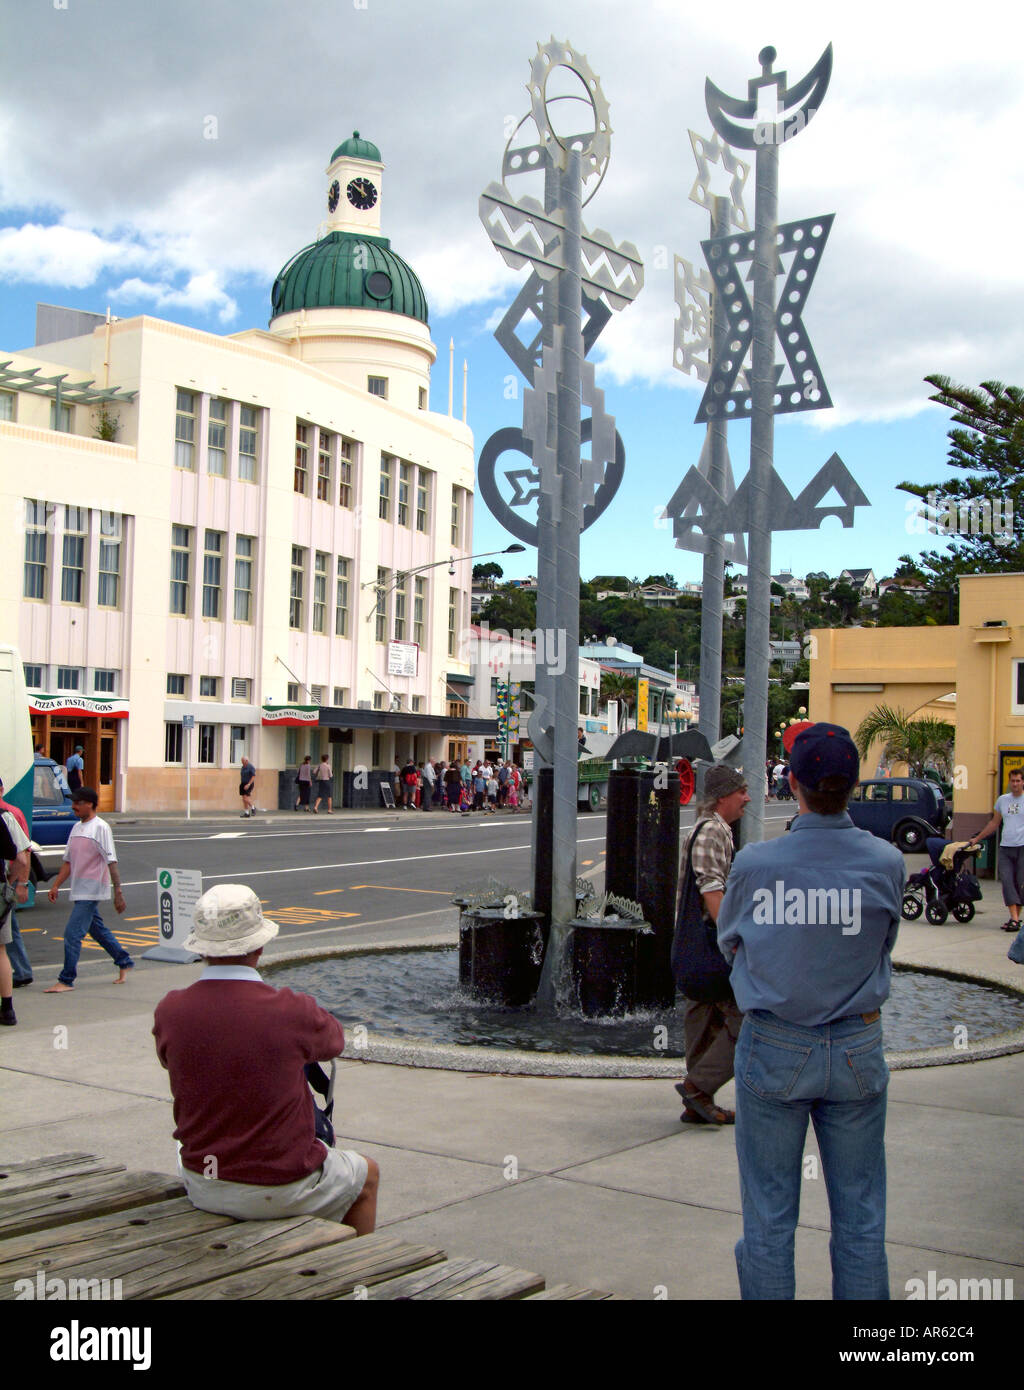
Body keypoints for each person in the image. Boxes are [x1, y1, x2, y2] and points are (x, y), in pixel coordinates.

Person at [717, 723, 905, 1300]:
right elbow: (884, 941)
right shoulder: (886, 862)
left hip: (775, 1045)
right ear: (851, 785)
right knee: (861, 1219)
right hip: (856, 1047)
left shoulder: (754, 864)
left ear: (792, 782)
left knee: (769, 1219)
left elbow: (730, 943)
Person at [153, 883, 379, 1232]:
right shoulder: (291, 1009)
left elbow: (171, 1062)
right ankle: (355, 1274)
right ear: (258, 946)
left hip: (204, 1181)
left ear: (202, 949)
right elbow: (334, 1042)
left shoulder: (170, 1009)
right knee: (368, 1175)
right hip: (282, 1185)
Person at [675, 764, 749, 1125]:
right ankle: (698, 1088)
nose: (747, 798)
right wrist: (732, 939)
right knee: (746, 1020)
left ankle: (699, 1101)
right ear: (723, 797)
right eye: (741, 791)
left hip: (695, 948)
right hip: (708, 948)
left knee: (701, 1021)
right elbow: (711, 891)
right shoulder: (713, 832)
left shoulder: (710, 829)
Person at [44, 787, 133, 993]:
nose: (73, 806)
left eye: (78, 802)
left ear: (91, 804)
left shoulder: (100, 828)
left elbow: (112, 861)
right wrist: (56, 885)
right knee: (97, 930)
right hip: (79, 887)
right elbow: (68, 862)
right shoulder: (76, 828)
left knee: (72, 934)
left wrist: (118, 892)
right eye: (73, 802)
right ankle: (124, 960)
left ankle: (66, 980)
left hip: (92, 889)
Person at [972, 767, 1024, 932]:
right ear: (1009, 782)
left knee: (1020, 884)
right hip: (1005, 848)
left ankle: (1014, 919)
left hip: (1022, 848)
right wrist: (978, 838)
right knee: (1007, 882)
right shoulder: (1003, 800)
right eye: (1013, 781)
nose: (1015, 784)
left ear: (1023, 782)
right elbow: (994, 823)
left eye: (1018, 781)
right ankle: (1015, 919)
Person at [0, 776, 34, 987]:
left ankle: (22, 971)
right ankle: (22, 971)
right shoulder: (13, 813)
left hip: (6, 879)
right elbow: (25, 853)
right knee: (8, 930)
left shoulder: (9, 814)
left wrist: (19, 882)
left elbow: (23, 855)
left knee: (7, 934)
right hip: (5, 881)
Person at [0, 804, 31, 1024]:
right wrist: (12, 885)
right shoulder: (4, 818)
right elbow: (20, 858)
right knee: (1, 950)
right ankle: (8, 1009)